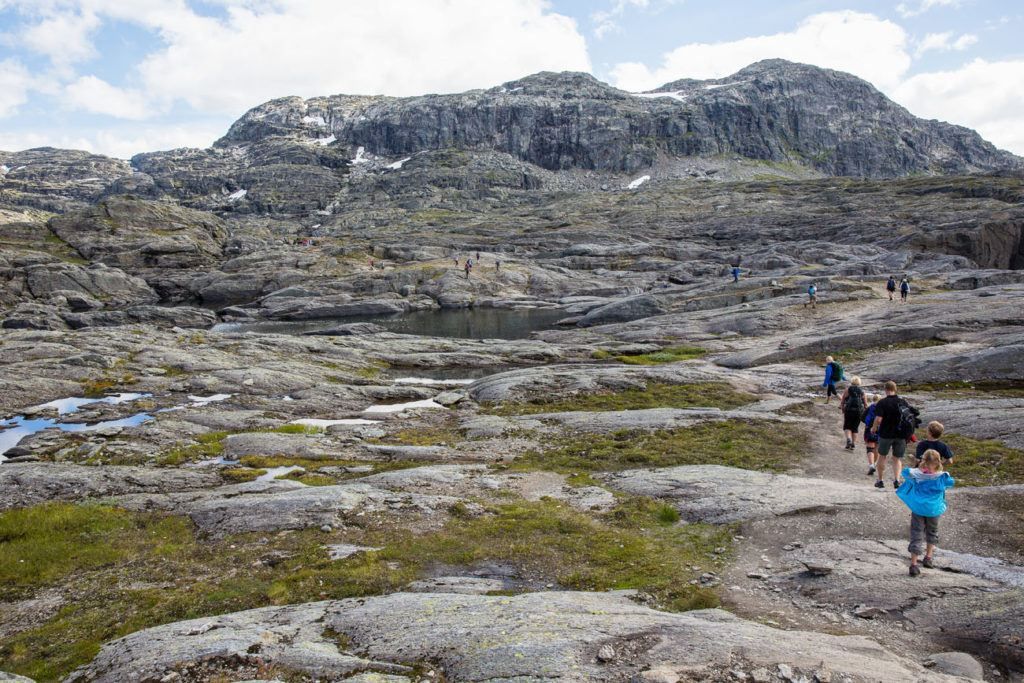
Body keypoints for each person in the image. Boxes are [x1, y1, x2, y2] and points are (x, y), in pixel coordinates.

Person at [897, 449, 955, 576]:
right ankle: (928, 558)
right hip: (934, 510)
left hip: (918, 508)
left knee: (916, 533)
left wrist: (918, 467)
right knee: (932, 531)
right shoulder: (942, 476)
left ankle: (913, 564)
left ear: (923, 460)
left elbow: (905, 472)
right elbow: (951, 483)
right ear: (938, 461)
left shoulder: (917, 473)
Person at [872, 380, 910, 489]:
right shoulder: (903, 402)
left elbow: (878, 419)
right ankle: (897, 480)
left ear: (886, 390)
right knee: (897, 458)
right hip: (901, 434)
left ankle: (880, 480)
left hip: (886, 433)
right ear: (895, 389)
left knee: (882, 456)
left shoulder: (882, 402)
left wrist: (874, 428)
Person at [840, 376, 867, 450]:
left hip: (849, 410)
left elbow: (842, 401)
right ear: (859, 382)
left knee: (847, 426)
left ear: (851, 382)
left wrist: (843, 409)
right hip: (858, 412)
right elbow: (865, 404)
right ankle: (853, 444)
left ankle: (849, 439)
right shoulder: (862, 391)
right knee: (855, 428)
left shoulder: (848, 389)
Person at [863, 393, 881, 475]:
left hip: (869, 428)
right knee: (876, 448)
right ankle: (874, 463)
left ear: (873, 399)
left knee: (870, 447)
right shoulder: (883, 409)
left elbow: (862, 417)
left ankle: (871, 465)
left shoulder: (870, 408)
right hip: (880, 429)